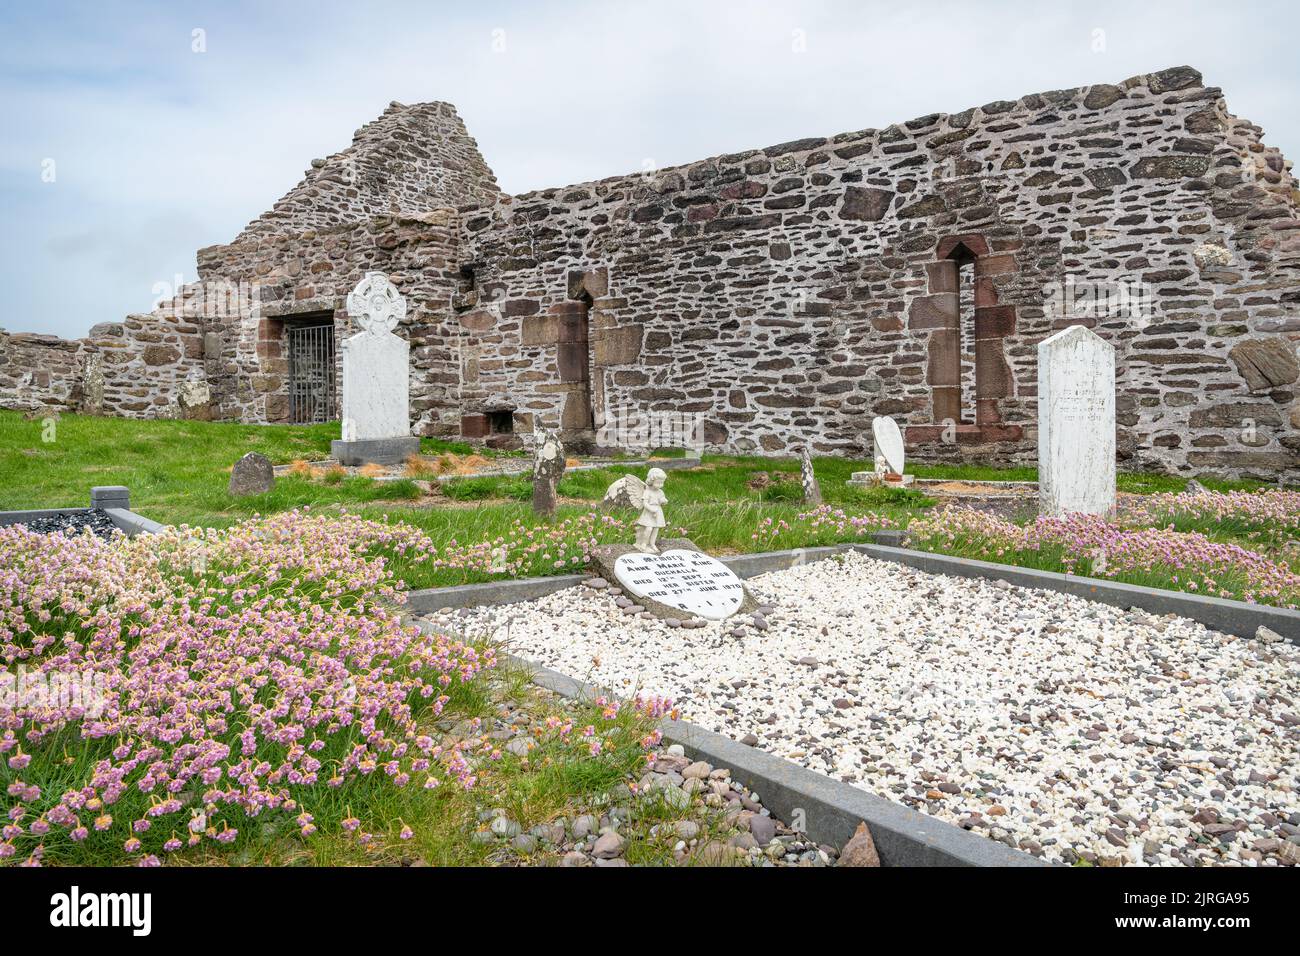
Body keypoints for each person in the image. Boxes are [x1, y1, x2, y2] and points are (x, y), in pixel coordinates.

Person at [634, 467, 668, 553]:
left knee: (656, 529)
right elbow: (645, 503)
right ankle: (644, 543)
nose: (660, 485)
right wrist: (651, 509)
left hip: (658, 512)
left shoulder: (660, 492)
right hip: (649, 513)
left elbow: (662, 500)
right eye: (658, 483)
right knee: (648, 528)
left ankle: (652, 543)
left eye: (662, 483)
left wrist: (664, 501)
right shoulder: (647, 491)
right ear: (651, 481)